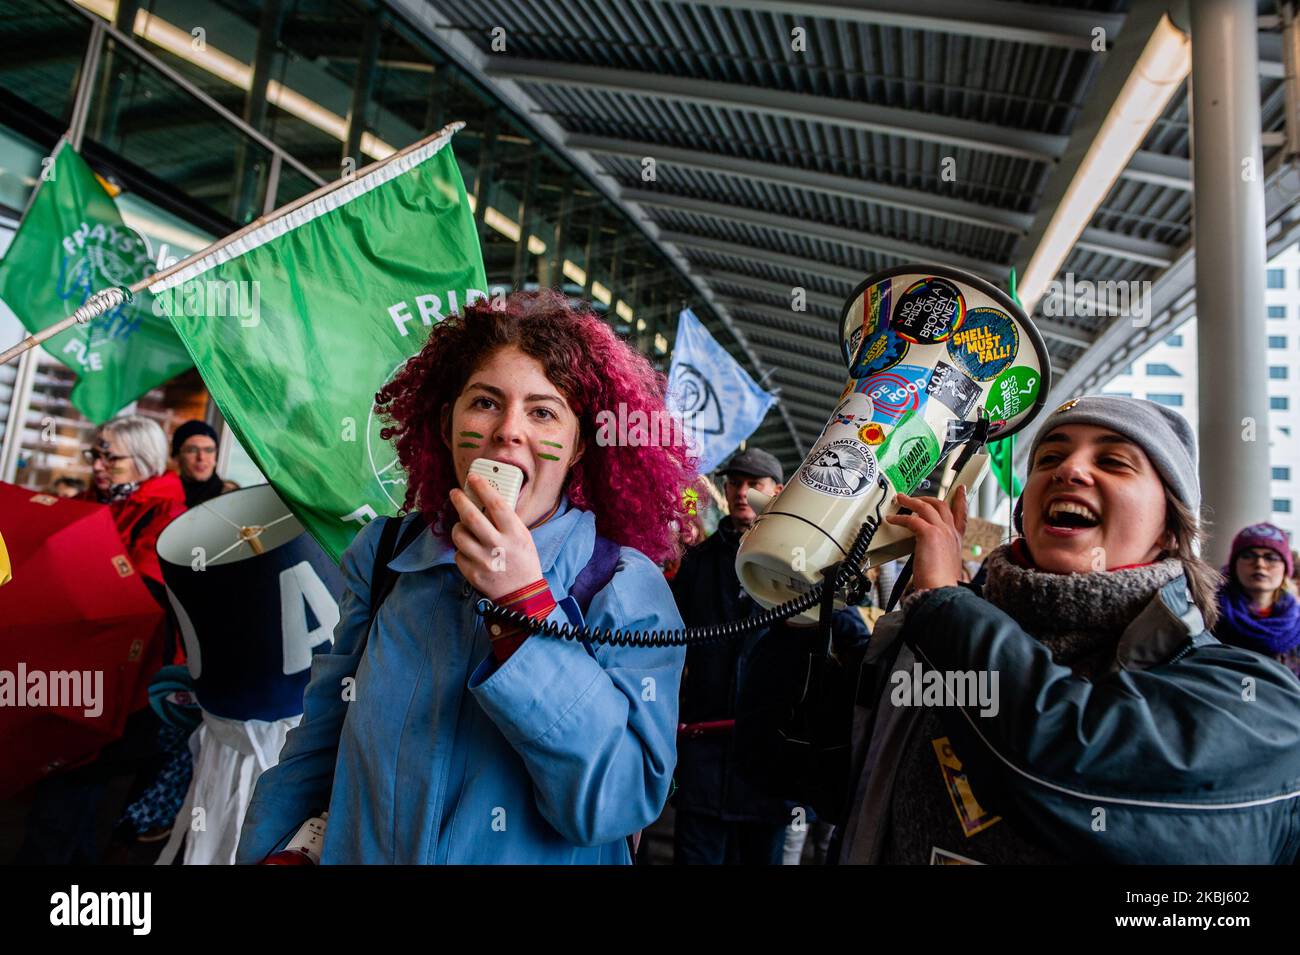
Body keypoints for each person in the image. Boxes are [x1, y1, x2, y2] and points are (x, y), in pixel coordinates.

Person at [236, 290, 693, 864]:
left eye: (543, 411)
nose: (509, 432)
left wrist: (525, 610)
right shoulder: (384, 558)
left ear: (577, 447)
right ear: (447, 424)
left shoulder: (624, 587)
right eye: (484, 402)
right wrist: (272, 851)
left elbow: (612, 803)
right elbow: (320, 743)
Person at [838, 396, 1300, 864]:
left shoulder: (1257, 698)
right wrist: (807, 600)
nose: (1068, 471)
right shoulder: (934, 636)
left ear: (1171, 530)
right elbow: (817, 782)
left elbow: (1063, 762)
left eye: (1114, 461)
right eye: (1050, 458)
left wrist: (943, 604)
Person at [670, 447, 868, 865]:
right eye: (735, 482)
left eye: (753, 484)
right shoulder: (697, 566)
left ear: (778, 492)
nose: (742, 492)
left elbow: (856, 642)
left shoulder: (810, 568)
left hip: (773, 772)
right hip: (703, 765)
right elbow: (662, 646)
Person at [80, 414, 187, 593]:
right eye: (95, 455)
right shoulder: (81, 501)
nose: (97, 466)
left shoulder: (167, 515)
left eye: (111, 458)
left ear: (144, 460)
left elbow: (143, 588)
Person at [1214, 523, 1300, 678]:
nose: (1259, 564)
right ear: (1234, 566)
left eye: (1271, 558)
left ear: (1286, 569)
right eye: (1248, 556)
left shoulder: (1296, 625)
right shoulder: (1209, 614)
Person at [171, 419, 238, 508]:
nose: (201, 457)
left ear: (216, 457)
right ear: (176, 457)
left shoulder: (233, 498)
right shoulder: (163, 497)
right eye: (192, 450)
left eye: (209, 450)